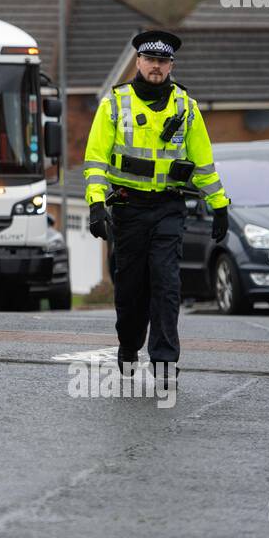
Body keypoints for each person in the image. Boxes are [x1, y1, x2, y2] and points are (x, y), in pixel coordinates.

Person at [82, 30, 230, 390]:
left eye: (163, 62)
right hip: (128, 209)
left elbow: (204, 164)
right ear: (138, 62)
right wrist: (97, 205)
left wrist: (220, 206)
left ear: (170, 66)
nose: (156, 67)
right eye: (150, 60)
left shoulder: (186, 108)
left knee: (166, 284)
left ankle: (165, 360)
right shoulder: (114, 105)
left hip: (168, 207)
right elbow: (96, 160)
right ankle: (129, 346)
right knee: (131, 289)